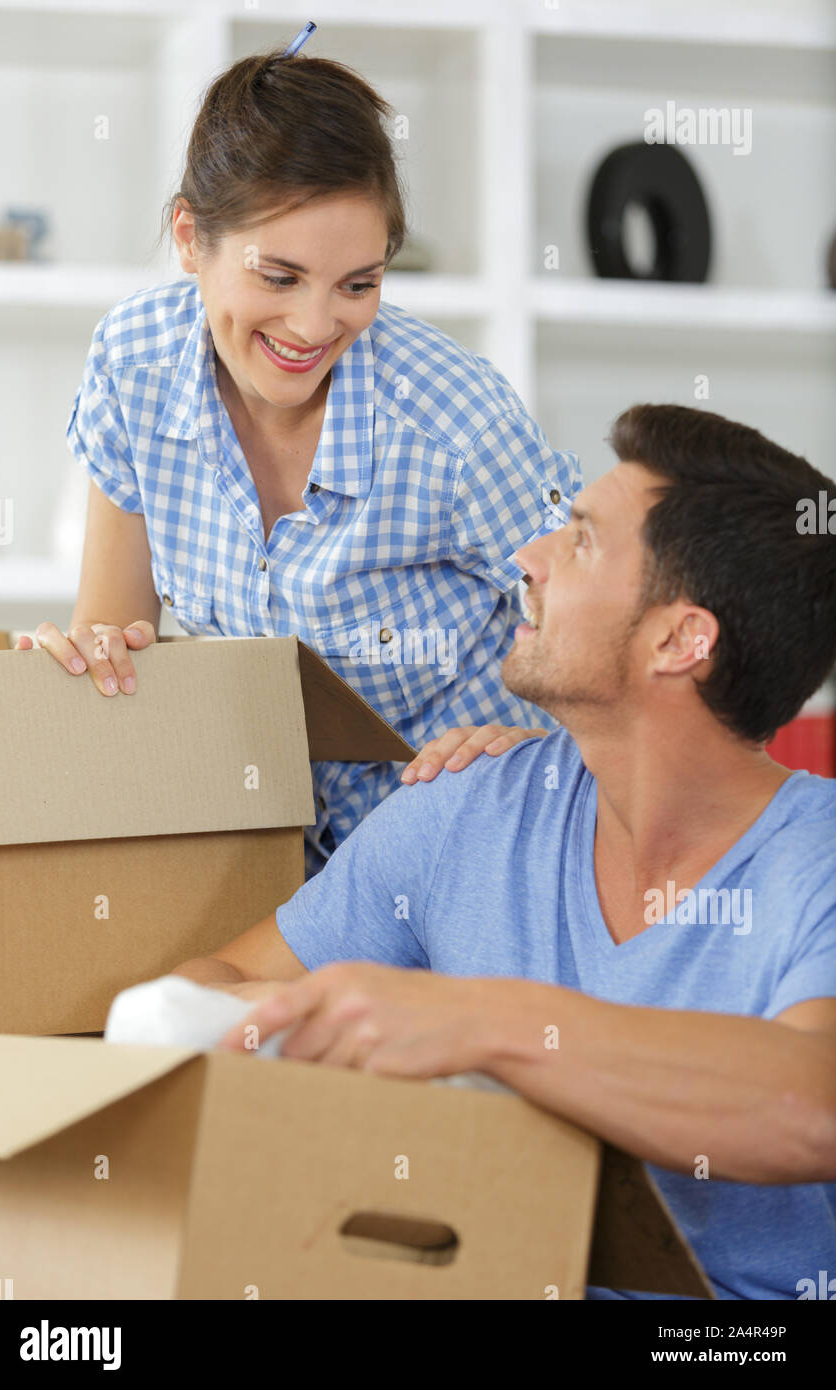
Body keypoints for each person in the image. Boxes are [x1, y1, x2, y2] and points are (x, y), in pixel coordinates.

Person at [171, 403, 836, 1300]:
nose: (528, 558)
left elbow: (811, 1105)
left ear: (682, 639)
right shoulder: (466, 807)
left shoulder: (817, 858)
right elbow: (205, 986)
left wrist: (476, 1028)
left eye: (583, 541)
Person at [14, 47, 578, 878]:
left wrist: (539, 746)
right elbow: (116, 635)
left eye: (359, 283)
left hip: (472, 841)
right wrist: (83, 663)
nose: (315, 327)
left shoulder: (451, 420)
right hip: (268, 843)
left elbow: (610, 642)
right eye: (279, 276)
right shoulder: (133, 365)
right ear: (188, 238)